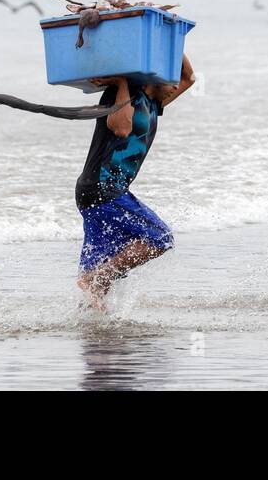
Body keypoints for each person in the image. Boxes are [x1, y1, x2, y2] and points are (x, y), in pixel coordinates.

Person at [76, 54, 194, 310]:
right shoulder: (125, 95)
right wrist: (120, 84)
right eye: (169, 79)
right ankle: (98, 278)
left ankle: (93, 334)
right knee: (160, 238)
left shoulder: (154, 102)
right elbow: (120, 128)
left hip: (102, 191)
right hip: (103, 188)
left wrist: (172, 37)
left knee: (97, 288)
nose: (176, 86)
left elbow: (189, 78)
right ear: (156, 76)